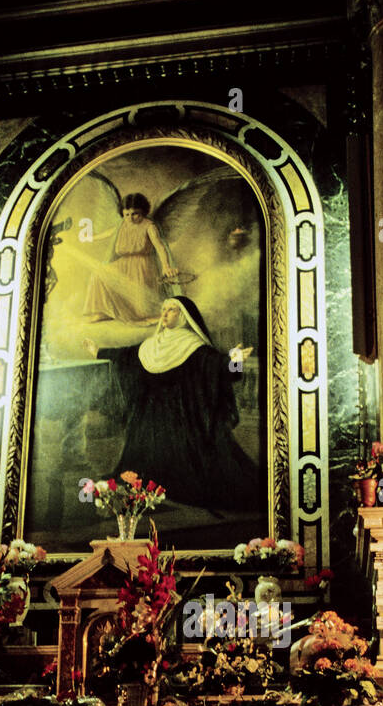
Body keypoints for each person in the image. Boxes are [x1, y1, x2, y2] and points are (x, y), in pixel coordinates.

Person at [85, 295, 258, 511]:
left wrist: (234, 362)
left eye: (171, 310)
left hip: (183, 424)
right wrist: (99, 352)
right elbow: (127, 355)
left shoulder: (195, 348)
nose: (164, 314)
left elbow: (222, 370)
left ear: (184, 317)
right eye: (164, 309)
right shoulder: (152, 344)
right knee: (141, 470)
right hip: (148, 422)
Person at [82, 193, 179, 324]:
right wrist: (93, 237)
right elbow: (110, 232)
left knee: (141, 310)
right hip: (123, 263)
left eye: (135, 214)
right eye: (127, 214)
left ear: (143, 212)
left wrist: (166, 266)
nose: (130, 218)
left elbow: (160, 247)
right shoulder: (123, 224)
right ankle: (104, 311)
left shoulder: (149, 226)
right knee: (98, 274)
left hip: (142, 265)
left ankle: (142, 314)